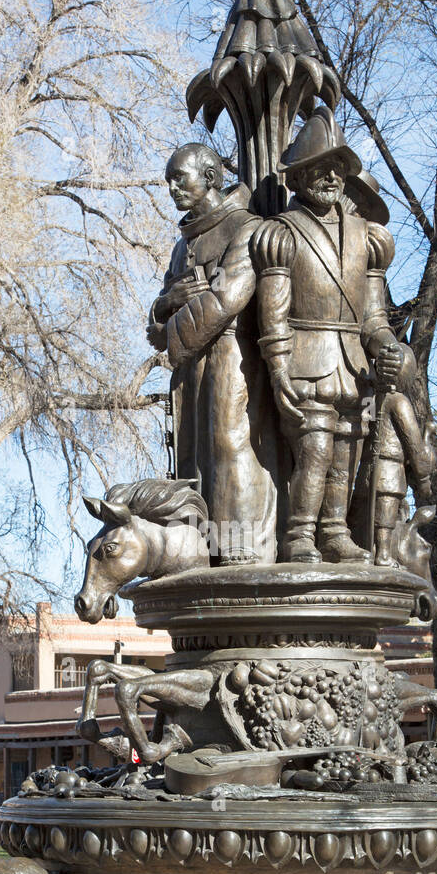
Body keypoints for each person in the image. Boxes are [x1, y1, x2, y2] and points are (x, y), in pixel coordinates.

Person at [251, 106, 413, 563]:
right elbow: (274, 310)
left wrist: (386, 347)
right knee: (316, 449)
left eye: (337, 169)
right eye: (318, 169)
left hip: (351, 362)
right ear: (297, 178)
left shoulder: (369, 238)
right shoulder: (280, 232)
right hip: (305, 359)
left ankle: (335, 532)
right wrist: (278, 365)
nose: (330, 177)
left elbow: (374, 317)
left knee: (346, 454)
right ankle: (299, 534)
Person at [147, 143, 277, 564]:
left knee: (230, 444)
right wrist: (167, 305)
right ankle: (200, 545)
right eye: (168, 180)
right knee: (192, 454)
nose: (171, 188)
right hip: (190, 365)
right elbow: (161, 305)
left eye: (179, 178)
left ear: (210, 177)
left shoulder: (245, 228)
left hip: (229, 356)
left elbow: (227, 298)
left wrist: (169, 330)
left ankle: (241, 545)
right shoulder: (181, 245)